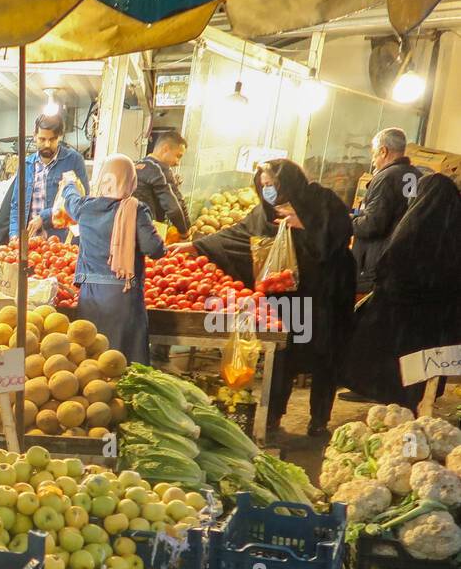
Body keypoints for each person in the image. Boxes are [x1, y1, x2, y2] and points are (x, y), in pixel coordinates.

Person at [177, 159, 354, 437]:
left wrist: (303, 223)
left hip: (325, 296)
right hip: (286, 296)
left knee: (324, 355)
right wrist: (195, 246)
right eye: (264, 186)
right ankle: (273, 415)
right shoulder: (265, 213)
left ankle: (319, 419)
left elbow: (341, 234)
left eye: (272, 184)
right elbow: (237, 236)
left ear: (289, 181)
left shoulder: (321, 200)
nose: (268, 190)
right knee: (282, 353)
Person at [341, 173, 461, 409]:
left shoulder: (414, 226)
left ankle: (390, 396)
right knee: (423, 364)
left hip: (402, 313)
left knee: (389, 354)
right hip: (438, 319)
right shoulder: (454, 231)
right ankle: (420, 397)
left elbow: (393, 265)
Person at [60, 155, 164, 365]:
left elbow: (70, 200)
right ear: (131, 181)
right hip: (123, 297)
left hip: (90, 296)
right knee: (123, 361)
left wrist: (69, 184)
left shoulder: (85, 207)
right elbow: (154, 249)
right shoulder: (135, 210)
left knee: (91, 356)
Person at [0, 113, 89, 245]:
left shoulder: (74, 161)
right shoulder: (26, 165)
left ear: (60, 136)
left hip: (60, 243)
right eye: (42, 139)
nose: (47, 144)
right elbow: (16, 205)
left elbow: (81, 202)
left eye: (52, 139)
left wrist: (44, 217)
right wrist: (14, 235)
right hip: (31, 243)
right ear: (34, 135)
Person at [351, 127, 422, 294]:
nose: (373, 160)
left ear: (383, 151)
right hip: (401, 261)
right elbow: (403, 213)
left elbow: (372, 225)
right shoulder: (414, 175)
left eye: (374, 153)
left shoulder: (386, 177)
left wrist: (345, 221)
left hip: (376, 266)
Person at [134, 131, 190, 236]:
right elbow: (174, 206)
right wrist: (185, 231)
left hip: (129, 228)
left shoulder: (138, 165)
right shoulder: (160, 169)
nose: (178, 162)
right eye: (178, 156)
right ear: (165, 149)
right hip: (149, 232)